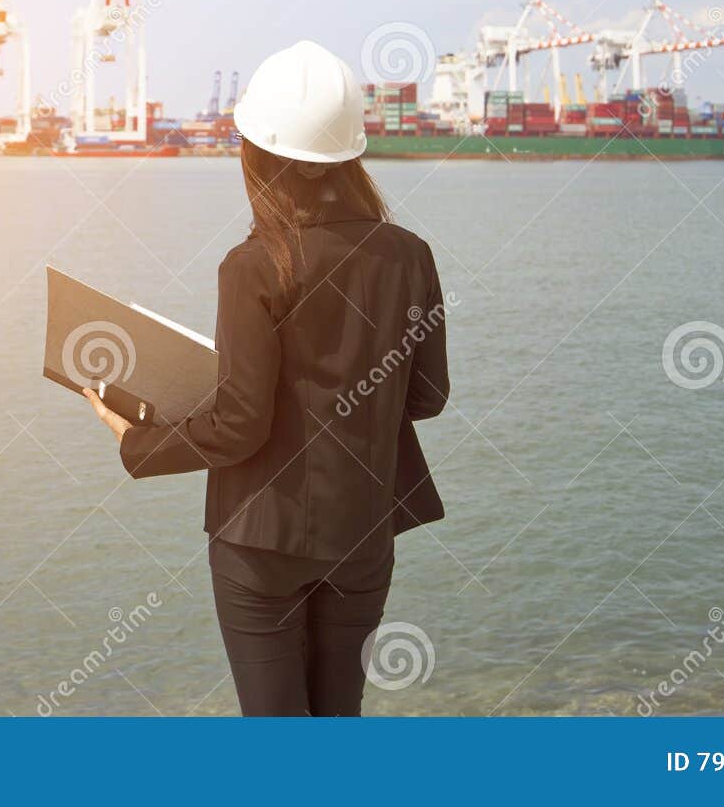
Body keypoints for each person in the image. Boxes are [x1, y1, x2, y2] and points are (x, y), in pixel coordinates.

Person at [83, 39, 450, 716]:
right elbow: (427, 395)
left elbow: (241, 422)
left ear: (256, 155)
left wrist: (137, 438)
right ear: (351, 153)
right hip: (364, 534)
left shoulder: (254, 264)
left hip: (260, 542)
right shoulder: (410, 255)